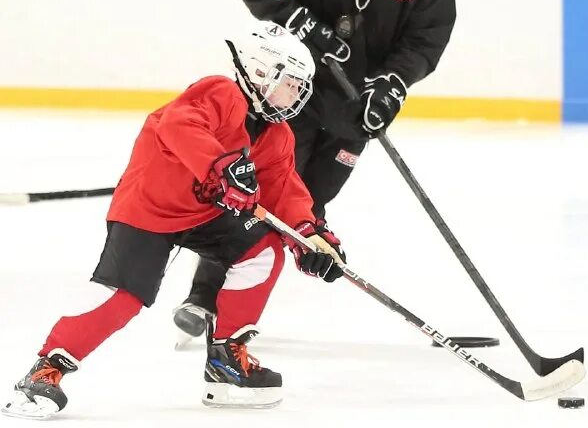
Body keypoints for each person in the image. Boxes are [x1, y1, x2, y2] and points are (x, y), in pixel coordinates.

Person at [173, 0, 456, 340]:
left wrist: (392, 84)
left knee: (309, 206)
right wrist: (299, 24)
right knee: (255, 195)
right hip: (290, 96)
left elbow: (428, 35)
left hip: (357, 106)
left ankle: (241, 298)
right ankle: (203, 298)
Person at [2, 23, 347, 419]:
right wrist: (221, 166)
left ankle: (226, 361)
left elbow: (284, 190)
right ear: (261, 71)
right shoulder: (219, 92)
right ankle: (45, 373)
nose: (297, 94)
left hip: (205, 215)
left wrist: (310, 237)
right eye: (291, 83)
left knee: (263, 250)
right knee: (123, 298)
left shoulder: (278, 134)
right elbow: (179, 124)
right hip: (150, 208)